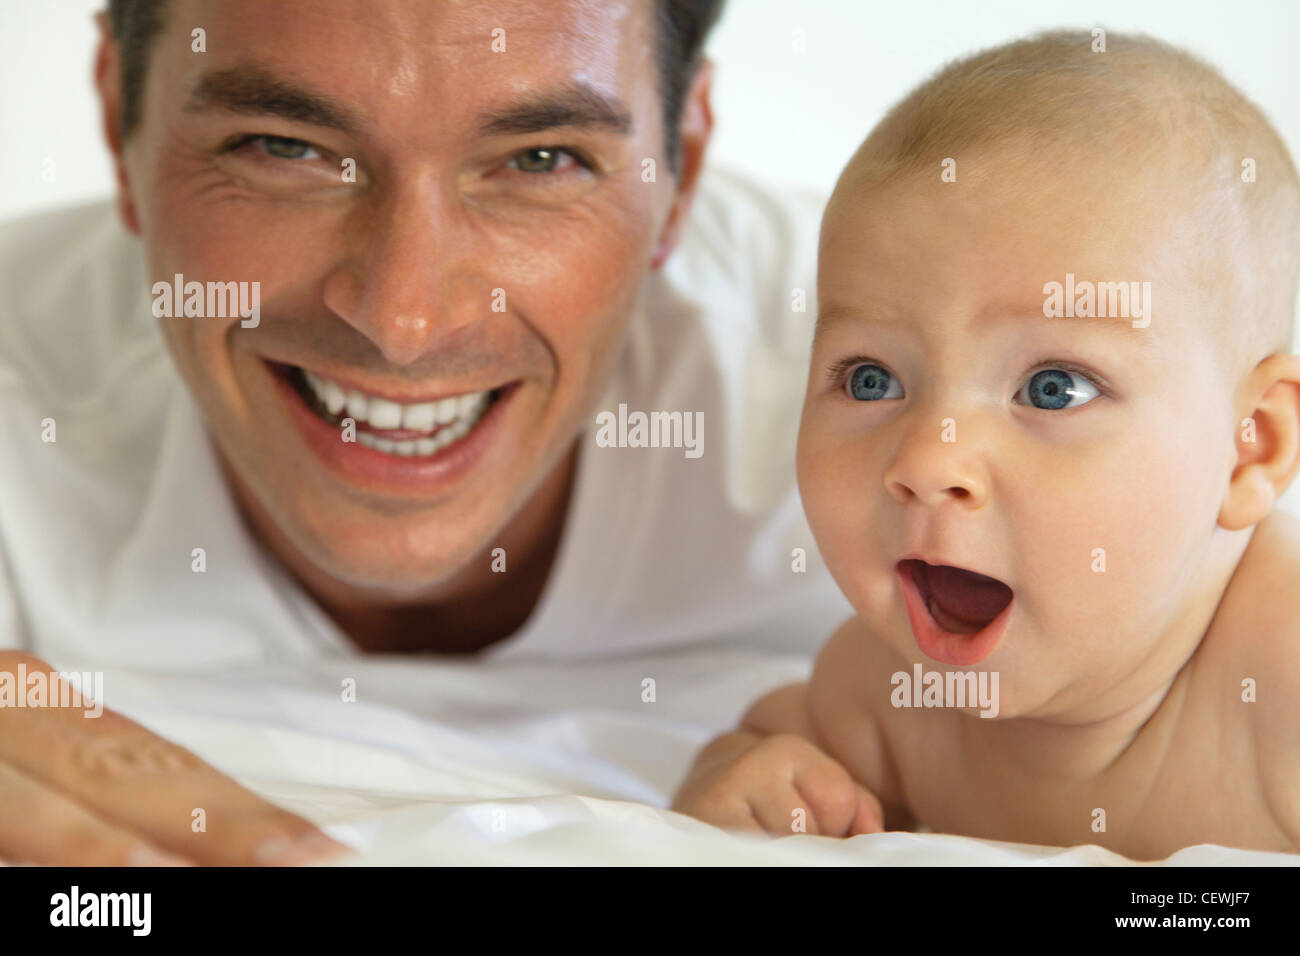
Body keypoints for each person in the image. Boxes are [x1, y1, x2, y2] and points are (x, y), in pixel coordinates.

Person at [0, 0, 848, 865]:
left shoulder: (888, 388)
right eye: (284, 148)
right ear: (118, 121)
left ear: (683, 170)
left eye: (540, 160)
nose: (404, 320)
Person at [672, 31, 1300, 859]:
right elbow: (759, 753)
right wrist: (739, 785)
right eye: (870, 380)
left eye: (1053, 389)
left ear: (1249, 448)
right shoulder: (880, 694)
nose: (928, 463)